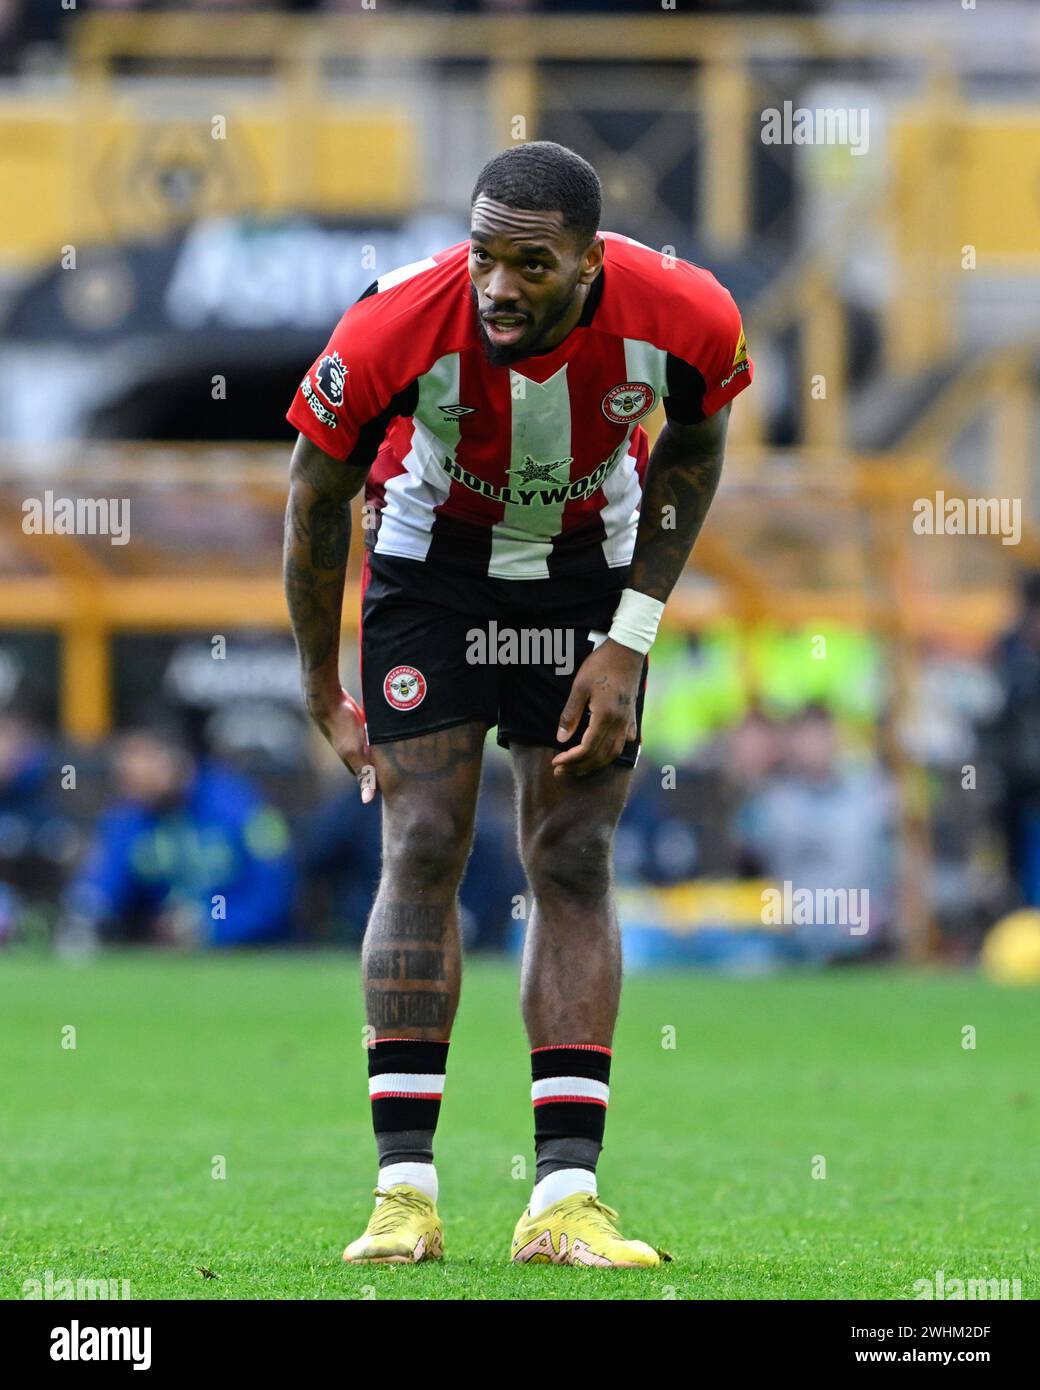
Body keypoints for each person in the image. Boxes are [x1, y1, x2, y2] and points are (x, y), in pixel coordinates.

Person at [283, 141, 752, 1267]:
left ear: (591, 264)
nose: (497, 285)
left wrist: (627, 643)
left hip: (587, 577)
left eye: (530, 265)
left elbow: (695, 445)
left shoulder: (685, 314)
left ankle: (564, 1201)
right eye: (484, 255)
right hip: (425, 573)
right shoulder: (391, 326)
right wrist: (318, 683)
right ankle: (403, 1195)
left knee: (574, 859)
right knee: (426, 840)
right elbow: (313, 496)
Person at [63, 718, 295, 948]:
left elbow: (273, 892)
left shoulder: (240, 805)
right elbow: (103, 880)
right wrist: (84, 916)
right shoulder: (131, 814)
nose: (129, 771)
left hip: (252, 952)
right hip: (165, 952)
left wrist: (213, 925)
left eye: (141, 757)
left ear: (175, 760)